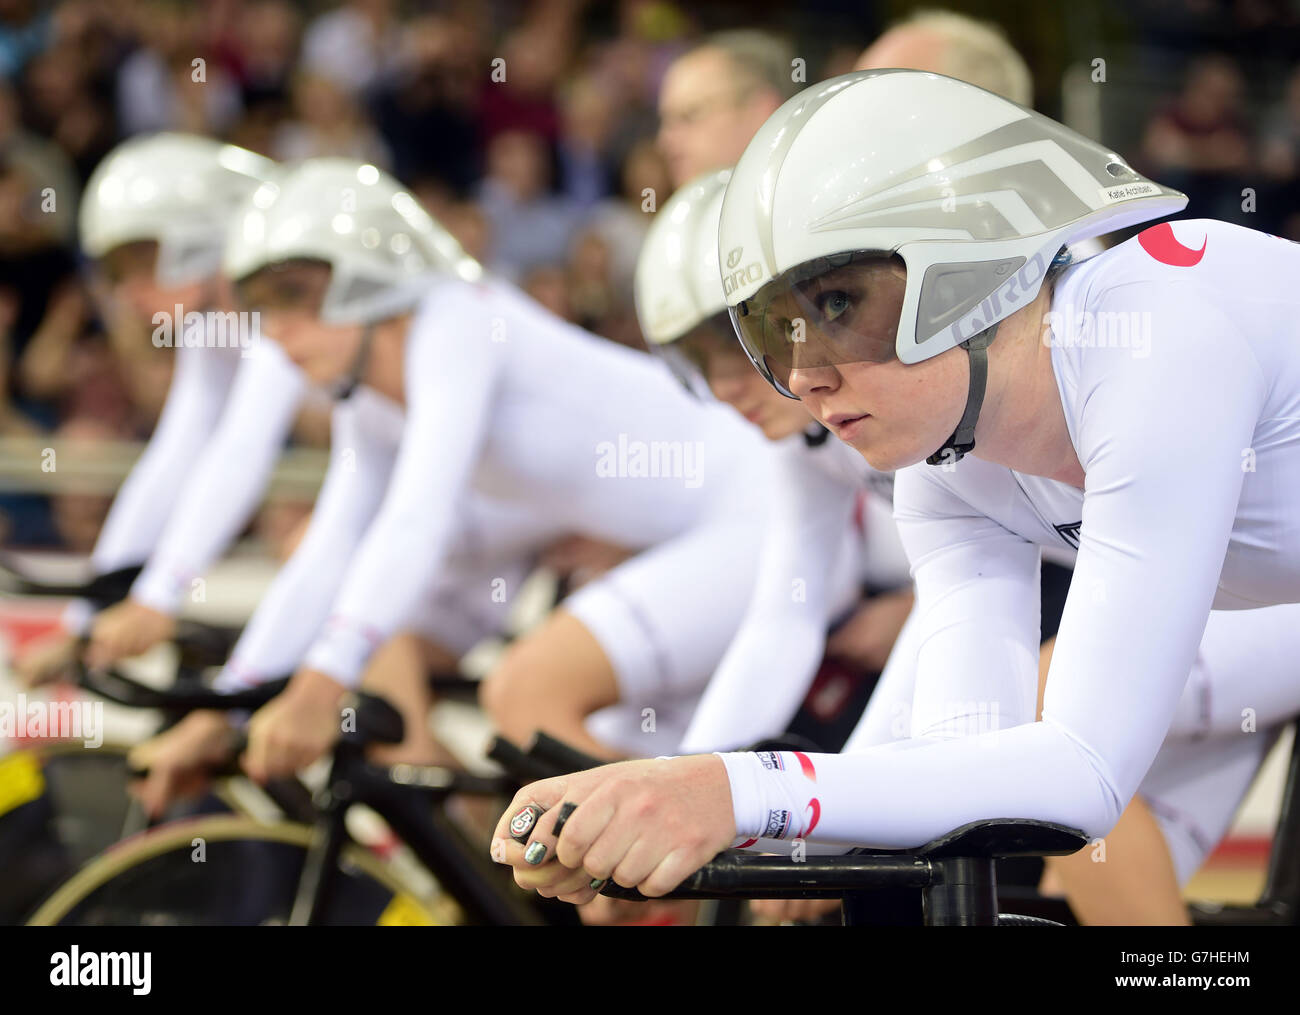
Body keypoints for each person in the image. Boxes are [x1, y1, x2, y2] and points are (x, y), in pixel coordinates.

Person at [491, 70, 1300, 912]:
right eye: (773, 333)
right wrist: (681, 809)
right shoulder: (948, 460)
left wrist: (732, 790)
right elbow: (961, 765)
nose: (802, 377)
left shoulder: (1152, 336)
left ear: (965, 269)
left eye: (839, 302)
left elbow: (1080, 774)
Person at [128, 158, 774, 814]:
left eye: (295, 296)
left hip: (749, 515)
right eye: (262, 307)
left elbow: (417, 516)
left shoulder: (456, 317)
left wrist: (317, 687)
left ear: (366, 278)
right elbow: (334, 543)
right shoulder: (369, 390)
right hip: (663, 540)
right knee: (393, 674)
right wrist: (230, 708)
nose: (276, 331)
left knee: (524, 696)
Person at [14, 133, 287, 682]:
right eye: (113, 272)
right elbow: (174, 457)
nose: (125, 294)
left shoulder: (278, 312)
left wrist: (158, 597)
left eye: (139, 263)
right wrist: (85, 617)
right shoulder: (212, 324)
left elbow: (242, 450)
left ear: (208, 241)